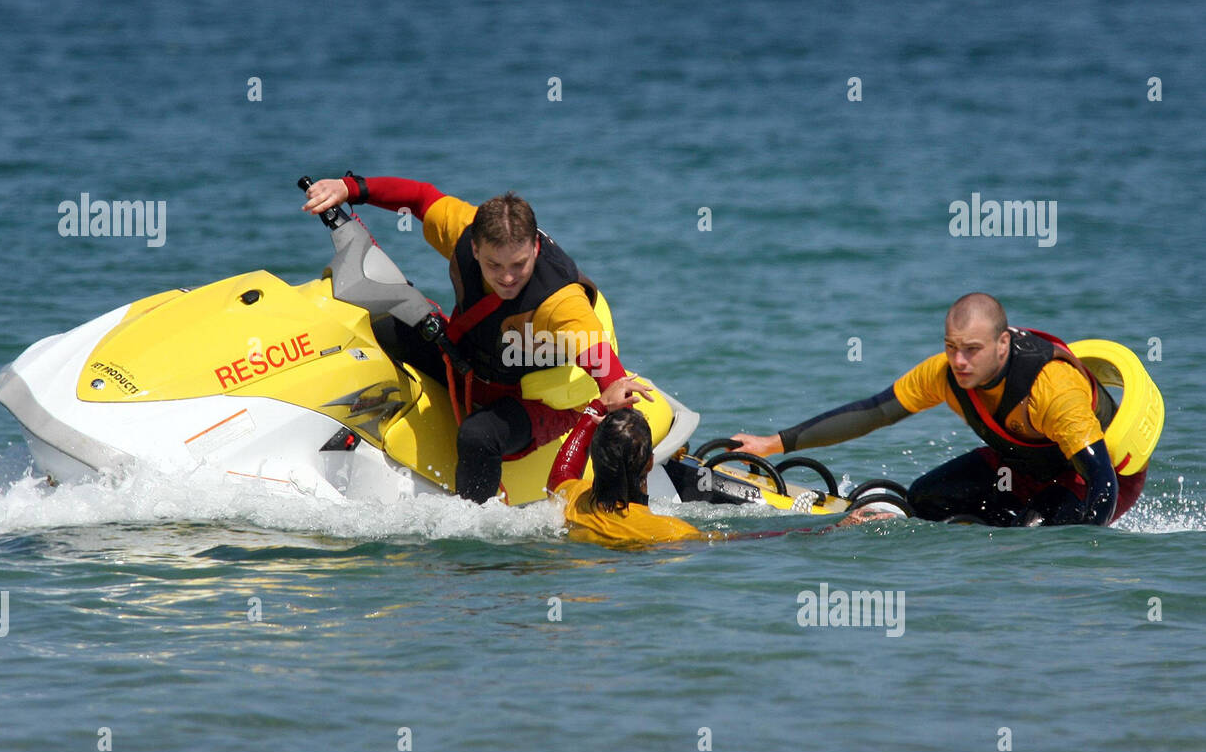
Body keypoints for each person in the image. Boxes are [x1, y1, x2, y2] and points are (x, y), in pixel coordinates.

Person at [303, 173, 651, 503]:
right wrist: (349, 188)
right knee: (376, 326)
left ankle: (475, 535)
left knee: (478, 436)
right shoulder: (465, 231)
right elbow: (422, 199)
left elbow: (601, 360)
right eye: (494, 266)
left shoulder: (559, 301)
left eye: (518, 264)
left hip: (536, 402)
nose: (508, 277)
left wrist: (614, 386)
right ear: (474, 249)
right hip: (469, 362)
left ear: (533, 247)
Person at [730, 293, 1146, 527]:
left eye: (972, 350)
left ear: (1003, 345)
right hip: (1019, 464)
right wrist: (772, 443)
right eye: (952, 348)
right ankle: (994, 527)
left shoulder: (1052, 388)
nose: (959, 361)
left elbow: (1103, 483)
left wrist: (1087, 557)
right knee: (925, 500)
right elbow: (875, 412)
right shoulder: (944, 374)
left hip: (1091, 474)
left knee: (1034, 531)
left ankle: (1016, 526)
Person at [546, 393, 895, 546]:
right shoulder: (667, 531)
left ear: (595, 459)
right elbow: (746, 541)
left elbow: (560, 473)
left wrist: (595, 410)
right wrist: (832, 528)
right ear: (650, 463)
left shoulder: (572, 502)